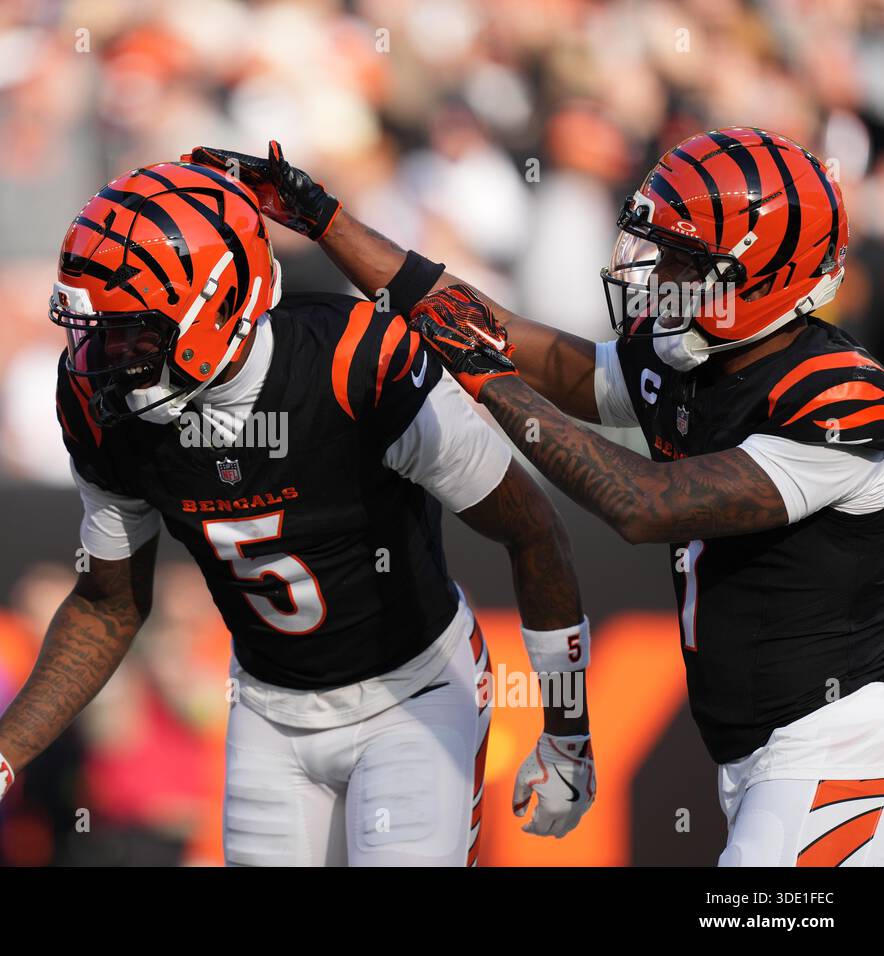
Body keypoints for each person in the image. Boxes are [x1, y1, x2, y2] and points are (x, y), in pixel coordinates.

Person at [0, 155, 594, 866]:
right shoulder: (105, 407)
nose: (105, 357)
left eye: (131, 332)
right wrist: (0, 755)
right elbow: (108, 604)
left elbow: (532, 531)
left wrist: (567, 728)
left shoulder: (356, 361)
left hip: (414, 694)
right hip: (270, 709)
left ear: (215, 306)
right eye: (96, 330)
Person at [287, 127, 884, 867]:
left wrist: (487, 381)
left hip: (841, 745)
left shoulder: (840, 396)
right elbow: (511, 342)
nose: (659, 273)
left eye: (685, 260)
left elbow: (644, 504)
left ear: (765, 279)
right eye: (659, 247)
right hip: (766, 753)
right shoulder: (695, 357)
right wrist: (329, 222)